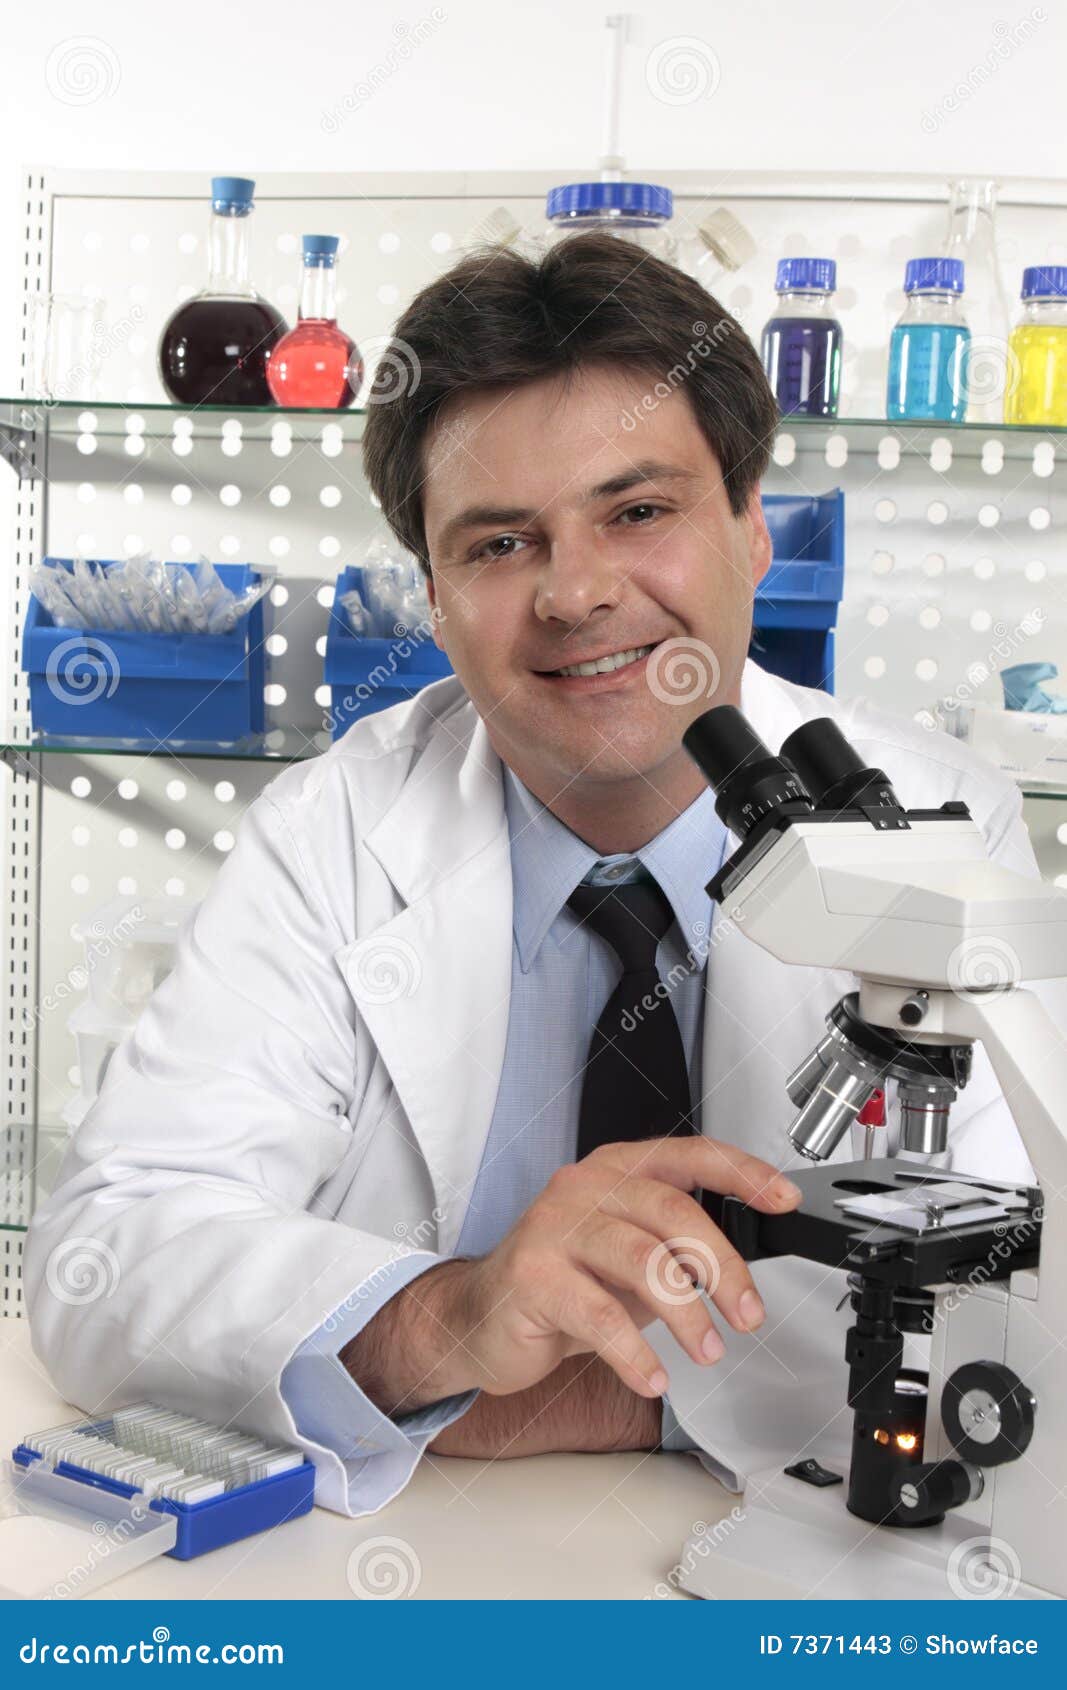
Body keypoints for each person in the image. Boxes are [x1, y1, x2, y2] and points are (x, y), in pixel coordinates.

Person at [25, 233, 1041, 1518]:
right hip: (417, 1570)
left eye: (637, 511)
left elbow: (1004, 1270)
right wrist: (447, 1323)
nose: (575, 593)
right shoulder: (330, 834)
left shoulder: (935, 827)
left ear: (750, 528)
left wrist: (597, 1397)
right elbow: (107, 1256)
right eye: (499, 543)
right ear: (434, 596)